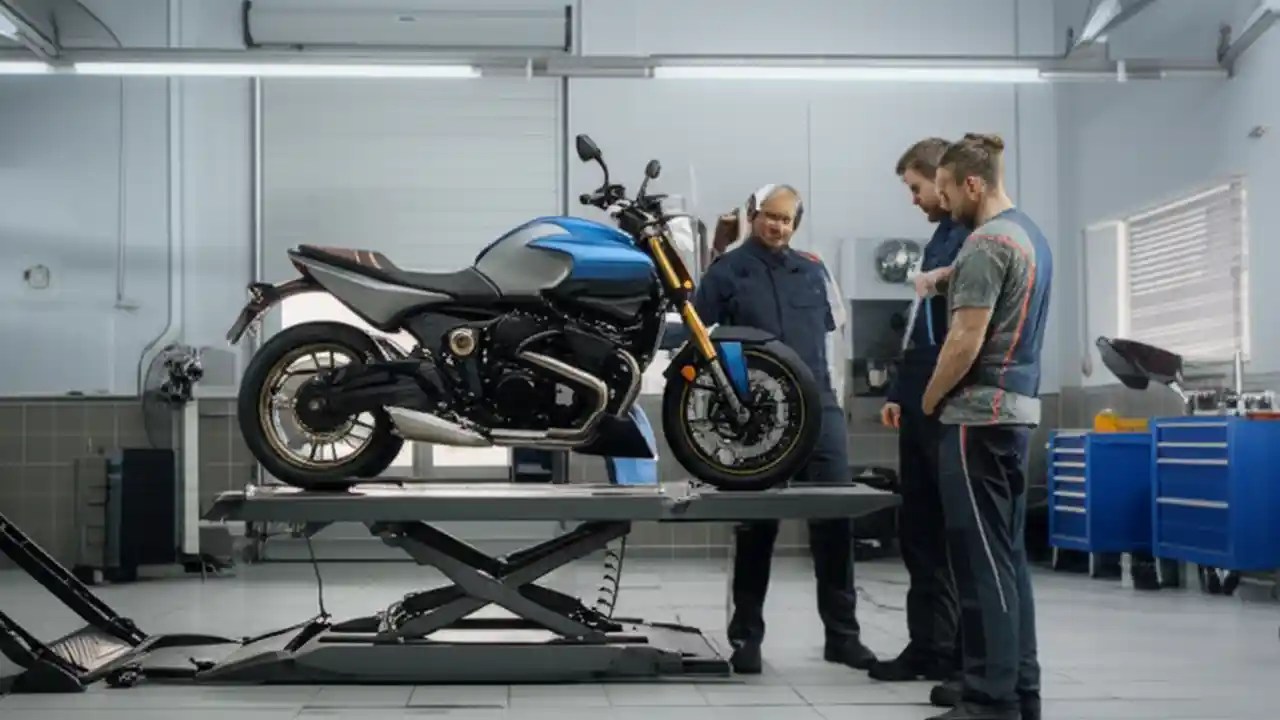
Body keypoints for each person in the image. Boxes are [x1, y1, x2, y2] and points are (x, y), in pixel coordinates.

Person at [695, 184, 876, 675]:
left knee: (834, 522)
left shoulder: (814, 271)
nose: (778, 227)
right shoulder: (727, 271)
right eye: (771, 217)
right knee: (757, 524)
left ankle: (843, 637)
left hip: (820, 407)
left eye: (788, 220)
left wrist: (835, 399)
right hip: (754, 416)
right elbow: (692, 324)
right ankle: (746, 639)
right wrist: (715, 247)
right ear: (754, 215)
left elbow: (835, 335)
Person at [920, 133, 1051, 720]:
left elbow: (966, 338)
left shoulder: (984, 243)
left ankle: (989, 700)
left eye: (945, 189)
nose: (942, 201)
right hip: (1016, 414)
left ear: (972, 183)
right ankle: (1020, 691)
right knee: (1007, 560)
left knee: (979, 565)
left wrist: (929, 399)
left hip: (978, 417)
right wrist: (941, 279)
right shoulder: (1028, 235)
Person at [868, 139, 969, 685]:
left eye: (916, 187)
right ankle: (927, 645)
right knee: (921, 530)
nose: (914, 199)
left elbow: (972, 319)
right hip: (920, 401)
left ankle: (960, 654)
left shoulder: (975, 234)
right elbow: (920, 324)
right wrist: (899, 393)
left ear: (943, 179)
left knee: (955, 535)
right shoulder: (938, 239)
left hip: (951, 404)